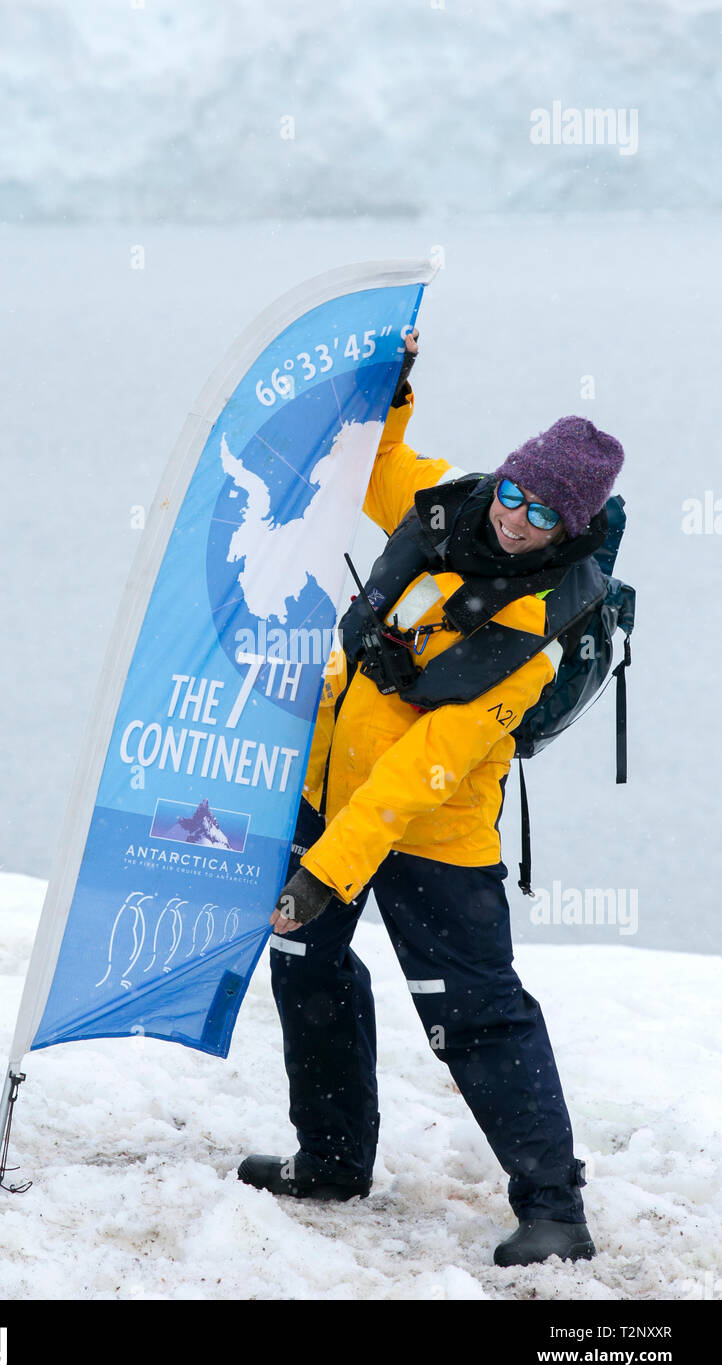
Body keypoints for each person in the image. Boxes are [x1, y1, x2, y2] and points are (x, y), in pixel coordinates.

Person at [237, 330, 626, 1267]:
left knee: (477, 1014)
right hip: (334, 794)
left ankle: (553, 1210)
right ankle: (331, 1163)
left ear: (572, 528)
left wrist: (328, 874)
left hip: (431, 831)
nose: (517, 519)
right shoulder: (455, 504)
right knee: (310, 971)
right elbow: (379, 467)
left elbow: (427, 765)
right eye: (515, 492)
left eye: (543, 514)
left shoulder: (538, 627)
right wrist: (394, 384)